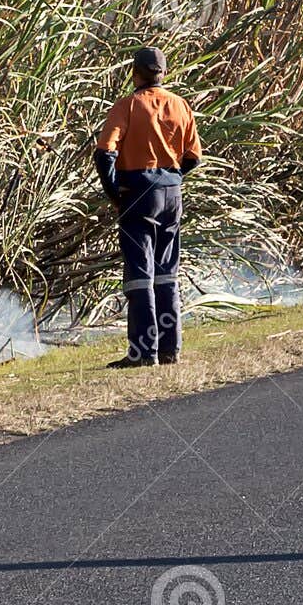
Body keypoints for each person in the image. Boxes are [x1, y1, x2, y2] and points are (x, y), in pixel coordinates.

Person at [93, 46, 201, 367]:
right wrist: (172, 178)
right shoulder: (180, 105)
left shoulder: (127, 106)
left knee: (140, 274)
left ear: (135, 73)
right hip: (172, 192)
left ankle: (143, 353)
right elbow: (194, 157)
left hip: (138, 192)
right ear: (163, 74)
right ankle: (171, 349)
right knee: (167, 273)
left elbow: (104, 152)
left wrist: (115, 192)